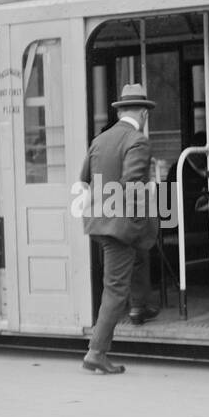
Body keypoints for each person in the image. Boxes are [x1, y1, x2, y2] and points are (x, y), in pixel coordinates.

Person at [78, 82, 159, 375]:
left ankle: (141, 305)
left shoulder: (100, 139)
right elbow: (132, 186)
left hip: (99, 222)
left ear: (121, 110)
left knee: (123, 273)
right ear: (143, 113)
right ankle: (96, 352)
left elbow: (84, 178)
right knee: (115, 290)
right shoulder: (137, 141)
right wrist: (138, 226)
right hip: (120, 225)